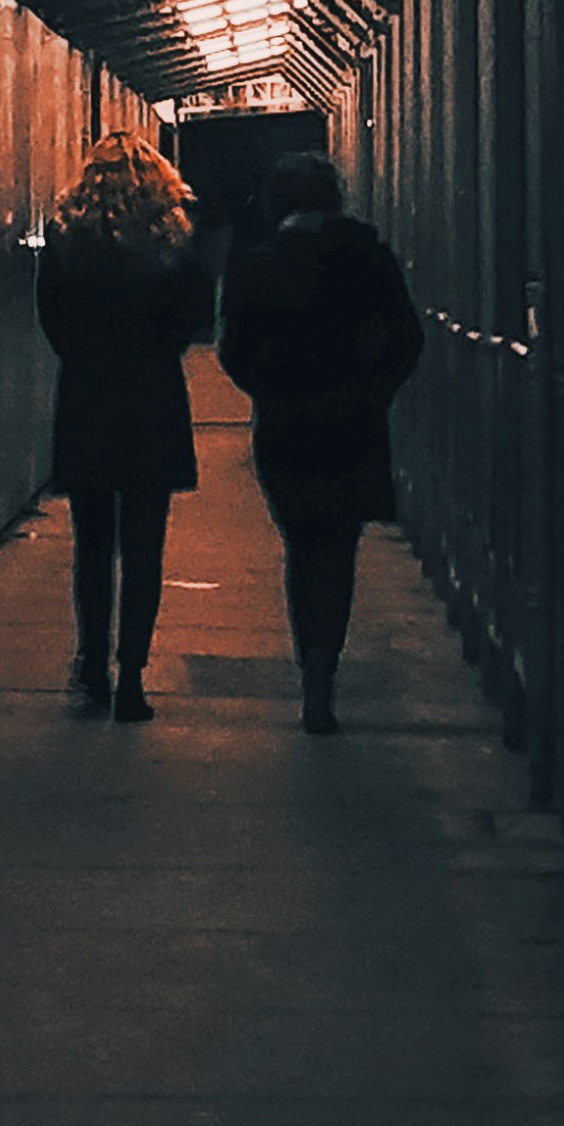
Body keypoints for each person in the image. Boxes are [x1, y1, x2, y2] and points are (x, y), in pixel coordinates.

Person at [214, 147, 424, 734]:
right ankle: (323, 667)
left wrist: (270, 391)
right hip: (353, 425)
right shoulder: (368, 256)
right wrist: (373, 391)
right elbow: (409, 337)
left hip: (286, 427)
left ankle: (309, 658)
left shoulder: (257, 263)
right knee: (339, 548)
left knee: (301, 543)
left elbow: (233, 350)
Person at [35, 127, 212, 724]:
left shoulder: (67, 240)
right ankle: (133, 674)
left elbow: (50, 317)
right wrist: (153, 355)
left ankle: (90, 664)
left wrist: (87, 357)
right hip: (152, 399)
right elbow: (195, 317)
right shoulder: (173, 243)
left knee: (92, 542)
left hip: (87, 396)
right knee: (144, 545)